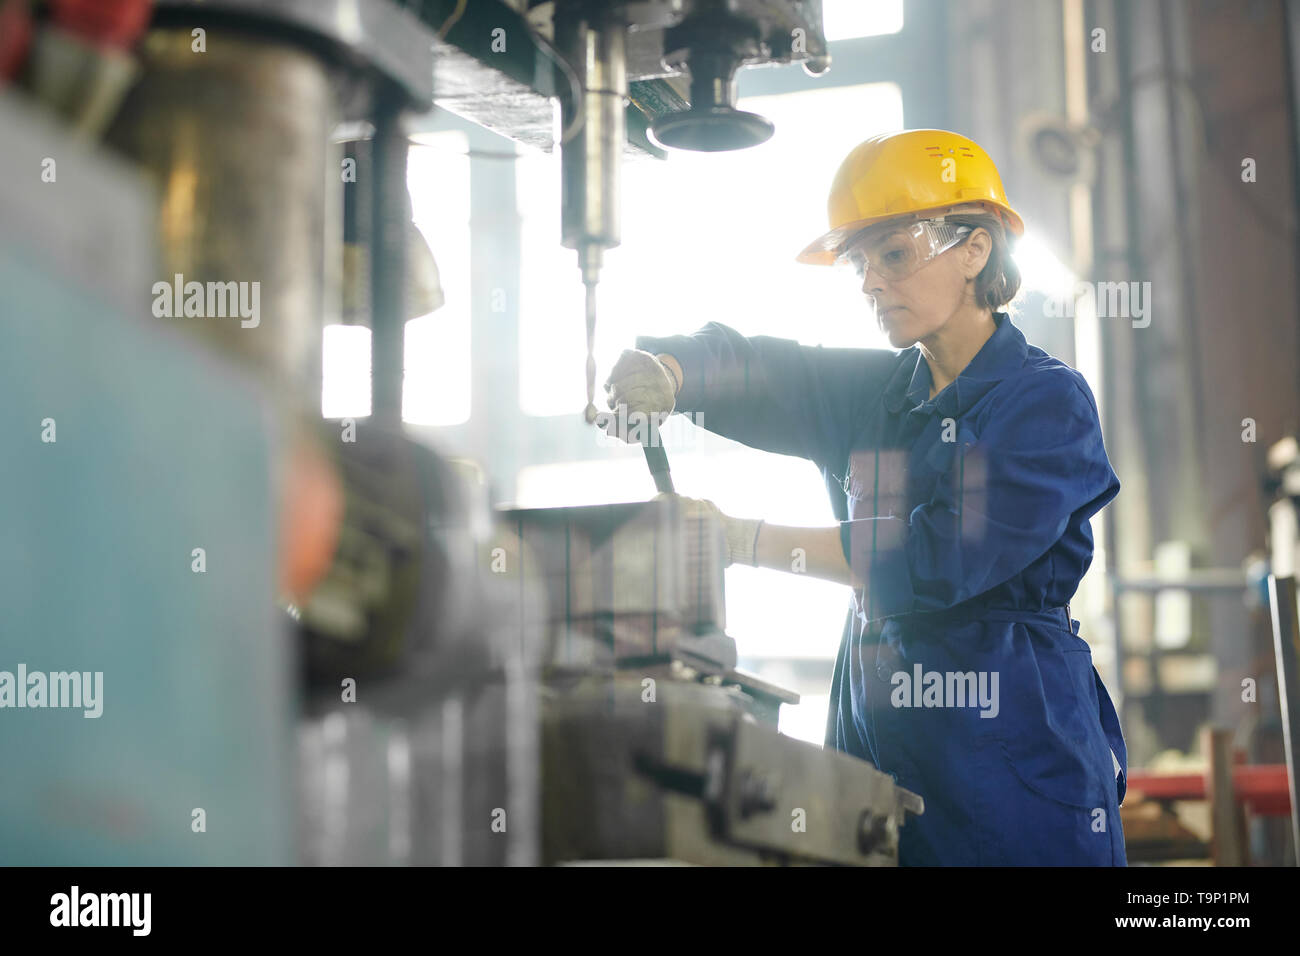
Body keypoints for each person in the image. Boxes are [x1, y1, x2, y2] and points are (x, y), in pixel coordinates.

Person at [604, 129, 1127, 866]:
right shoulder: (878, 396)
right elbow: (762, 369)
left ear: (975, 248)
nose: (870, 283)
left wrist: (741, 540)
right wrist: (669, 369)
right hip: (873, 766)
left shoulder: (1046, 404)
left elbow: (937, 556)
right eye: (859, 263)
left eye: (893, 255)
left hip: (1010, 769)